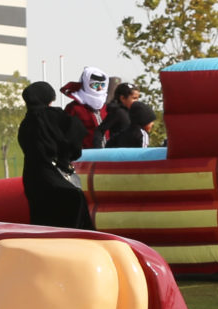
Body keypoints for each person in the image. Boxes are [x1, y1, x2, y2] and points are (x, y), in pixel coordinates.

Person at [18, 80, 92, 228]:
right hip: (53, 174)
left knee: (42, 218)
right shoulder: (53, 115)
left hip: (32, 177)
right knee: (74, 202)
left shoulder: (25, 123)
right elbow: (77, 129)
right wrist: (67, 156)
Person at [60, 68, 110, 149]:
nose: (100, 88)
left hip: (108, 155)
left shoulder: (106, 107)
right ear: (86, 84)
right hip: (85, 157)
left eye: (102, 85)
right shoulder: (74, 108)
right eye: (95, 85)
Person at [102, 82, 144, 149]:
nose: (137, 101)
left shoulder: (133, 113)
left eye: (137, 98)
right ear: (123, 98)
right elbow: (100, 131)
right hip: (118, 152)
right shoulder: (118, 113)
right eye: (134, 98)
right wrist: (98, 150)